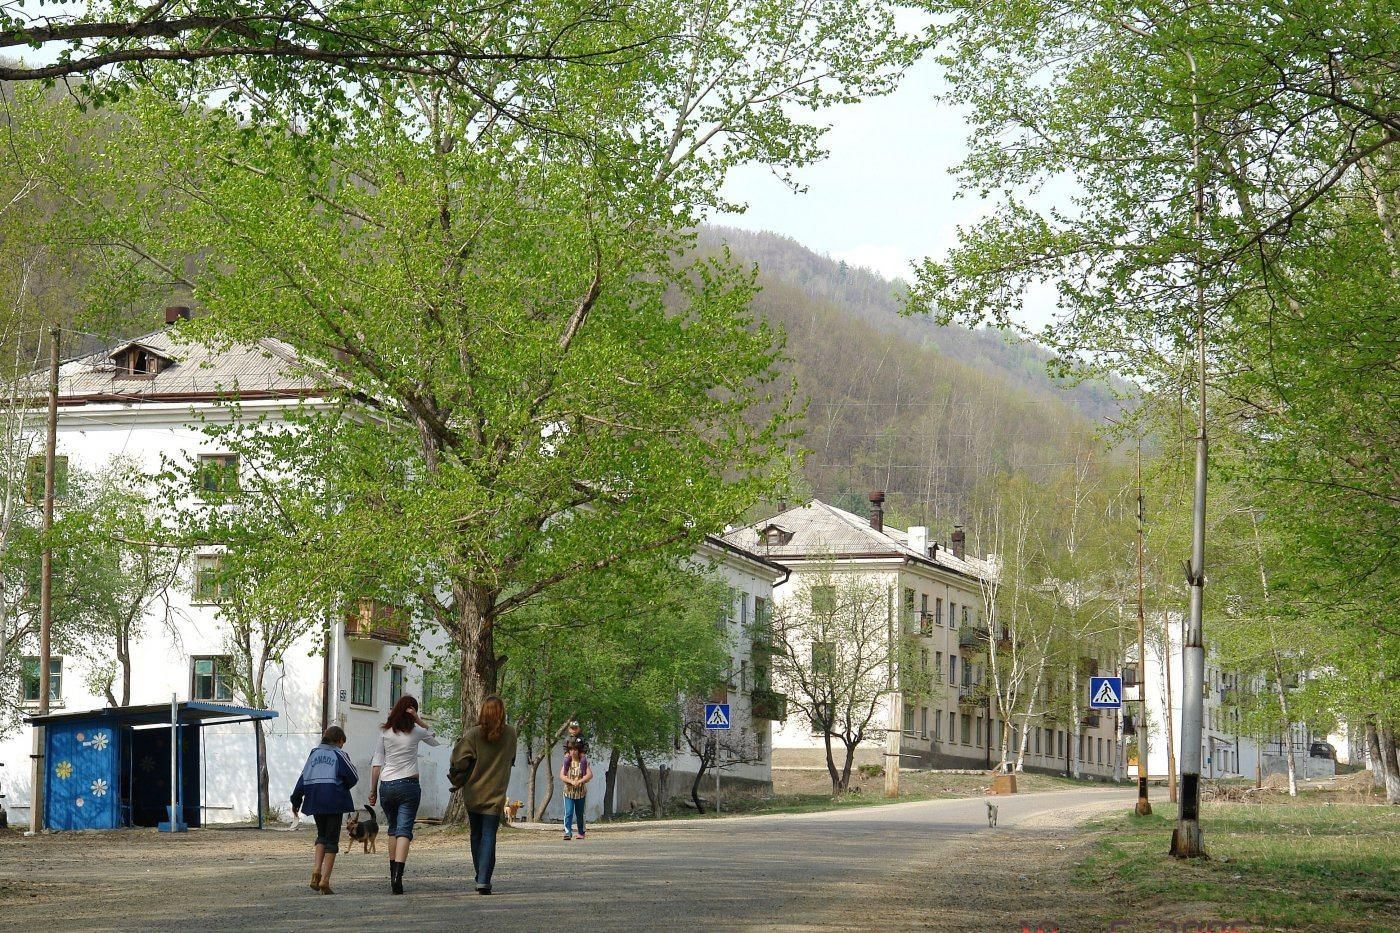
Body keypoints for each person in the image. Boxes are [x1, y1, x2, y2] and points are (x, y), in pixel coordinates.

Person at [368, 694, 440, 895]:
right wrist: (418, 719)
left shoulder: (384, 732)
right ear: (412, 711)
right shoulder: (416, 732)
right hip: (409, 784)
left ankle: (392, 874)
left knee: (393, 829)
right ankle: (398, 877)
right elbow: (434, 739)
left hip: (387, 785)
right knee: (404, 830)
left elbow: (376, 763)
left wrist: (372, 790)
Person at [449, 695, 518, 895]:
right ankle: (484, 879)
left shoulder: (474, 734)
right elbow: (511, 758)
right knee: (489, 835)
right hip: (496, 794)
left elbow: (459, 761)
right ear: (502, 713)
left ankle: (480, 875)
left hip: (474, 792)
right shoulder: (511, 734)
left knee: (476, 834)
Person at [290, 725, 358, 895]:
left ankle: (316, 871)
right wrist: (342, 787)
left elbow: (303, 777)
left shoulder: (313, 754)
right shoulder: (338, 754)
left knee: (321, 836)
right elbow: (353, 776)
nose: (342, 746)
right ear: (339, 740)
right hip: (334, 800)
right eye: (342, 743)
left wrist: (296, 799)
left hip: (315, 799)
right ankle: (325, 880)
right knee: (332, 840)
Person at [559, 739, 593, 840]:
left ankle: (581, 832)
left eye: (575, 749)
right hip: (568, 792)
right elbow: (561, 775)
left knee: (580, 813)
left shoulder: (583, 763)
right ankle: (568, 832)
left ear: (578, 751)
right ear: (568, 751)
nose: (573, 752)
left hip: (580, 793)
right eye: (571, 750)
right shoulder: (567, 763)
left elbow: (590, 775)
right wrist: (571, 781)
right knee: (568, 812)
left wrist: (580, 781)